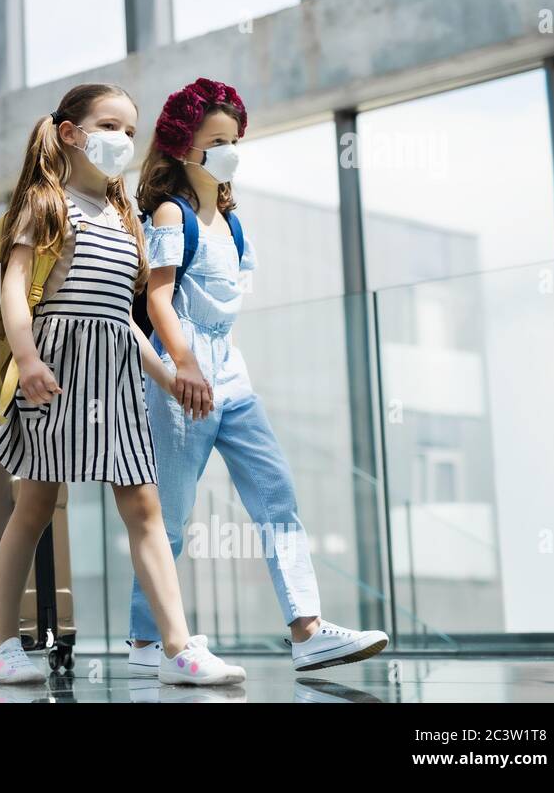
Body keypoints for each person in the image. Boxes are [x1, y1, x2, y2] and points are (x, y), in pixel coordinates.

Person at [0, 82, 245, 687]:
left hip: (115, 375)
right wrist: (28, 359)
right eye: (108, 127)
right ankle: (1, 642)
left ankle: (177, 647)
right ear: (70, 133)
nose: (122, 140)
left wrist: (171, 373)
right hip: (53, 366)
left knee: (144, 505)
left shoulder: (126, 214)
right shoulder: (44, 204)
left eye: (130, 130)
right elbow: (15, 289)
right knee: (35, 505)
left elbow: (122, 319)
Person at [127, 77, 389, 672]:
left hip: (230, 373)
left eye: (233, 138)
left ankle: (308, 629)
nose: (229, 151)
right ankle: (147, 641)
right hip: (180, 373)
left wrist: (213, 362)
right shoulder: (171, 212)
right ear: (181, 145)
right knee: (168, 515)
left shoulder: (229, 219)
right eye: (216, 139)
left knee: (276, 494)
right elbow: (160, 301)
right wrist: (183, 365)